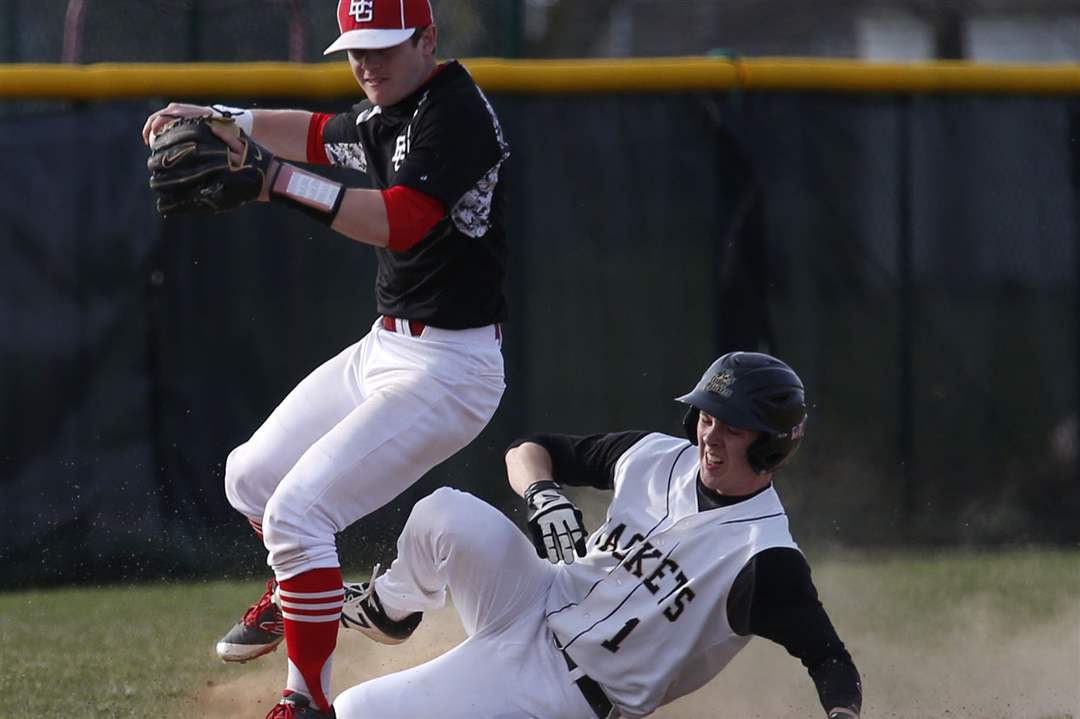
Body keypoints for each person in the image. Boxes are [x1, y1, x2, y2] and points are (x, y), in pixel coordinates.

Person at [141, 1, 510, 717]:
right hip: (389, 344)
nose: (366, 63)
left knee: (299, 513)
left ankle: (305, 700)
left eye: (383, 46)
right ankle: (298, 590)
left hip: (453, 369)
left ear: (428, 39)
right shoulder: (389, 108)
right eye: (355, 49)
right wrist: (227, 119)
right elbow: (316, 132)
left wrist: (274, 180)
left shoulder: (452, 113)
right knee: (249, 478)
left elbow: (399, 219)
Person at [331, 351, 863, 719]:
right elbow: (529, 449)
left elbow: (829, 659)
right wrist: (543, 494)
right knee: (444, 511)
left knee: (356, 711)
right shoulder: (655, 456)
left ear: (771, 446)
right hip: (533, 596)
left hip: (560, 688)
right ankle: (390, 609)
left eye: (733, 426)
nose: (711, 435)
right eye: (707, 417)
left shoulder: (764, 558)